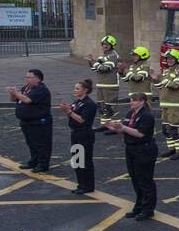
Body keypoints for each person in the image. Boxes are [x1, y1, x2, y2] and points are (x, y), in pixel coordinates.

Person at [105, 91, 157, 221]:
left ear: (142, 102)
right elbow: (126, 131)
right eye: (131, 99)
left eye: (134, 100)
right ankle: (139, 206)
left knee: (145, 180)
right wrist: (115, 128)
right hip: (131, 149)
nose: (131, 102)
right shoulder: (130, 114)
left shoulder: (146, 116)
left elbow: (140, 134)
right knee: (135, 179)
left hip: (143, 150)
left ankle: (148, 209)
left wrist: (122, 127)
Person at [59, 79, 99, 194]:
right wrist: (67, 110)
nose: (75, 90)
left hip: (84, 133)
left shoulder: (89, 104)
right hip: (76, 133)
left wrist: (69, 111)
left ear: (85, 90)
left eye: (77, 88)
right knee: (77, 160)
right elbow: (72, 114)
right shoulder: (77, 102)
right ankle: (81, 184)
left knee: (85, 160)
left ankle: (87, 185)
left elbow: (82, 120)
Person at [9, 68, 52, 173]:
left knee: (41, 144)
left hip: (39, 122)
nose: (26, 79)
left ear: (37, 79)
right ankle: (34, 161)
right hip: (27, 121)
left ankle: (43, 165)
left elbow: (27, 100)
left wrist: (16, 92)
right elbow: (14, 99)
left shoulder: (40, 89)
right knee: (31, 143)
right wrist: (12, 93)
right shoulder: (26, 88)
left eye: (29, 77)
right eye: (26, 77)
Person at [154, 48, 179, 160]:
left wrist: (164, 81)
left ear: (177, 59)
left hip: (176, 106)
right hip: (165, 105)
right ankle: (172, 149)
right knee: (166, 129)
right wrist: (154, 79)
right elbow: (160, 85)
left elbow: (176, 85)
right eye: (168, 58)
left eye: (171, 58)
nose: (169, 60)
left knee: (176, 129)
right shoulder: (166, 71)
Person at [86, 35, 120, 133]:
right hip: (101, 84)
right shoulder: (103, 56)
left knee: (111, 106)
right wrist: (91, 62)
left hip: (110, 85)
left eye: (107, 44)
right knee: (102, 106)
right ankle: (106, 125)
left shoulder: (113, 56)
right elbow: (94, 68)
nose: (105, 46)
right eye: (104, 44)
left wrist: (94, 63)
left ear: (112, 45)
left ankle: (115, 127)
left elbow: (104, 68)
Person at [120, 47, 154, 134]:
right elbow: (126, 79)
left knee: (146, 116)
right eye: (133, 55)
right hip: (134, 95)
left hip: (143, 96)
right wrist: (121, 71)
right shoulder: (132, 66)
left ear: (142, 56)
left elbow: (137, 78)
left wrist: (126, 70)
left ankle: (149, 134)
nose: (133, 57)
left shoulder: (146, 66)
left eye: (136, 55)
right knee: (135, 116)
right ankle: (135, 132)